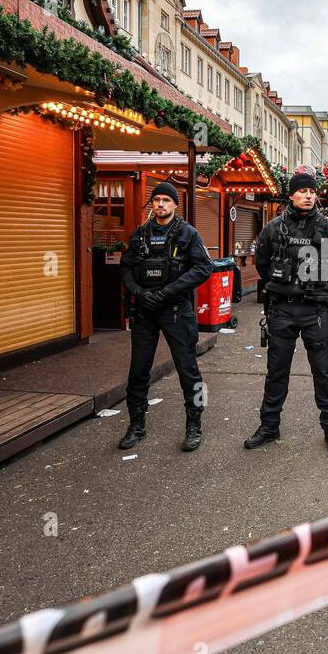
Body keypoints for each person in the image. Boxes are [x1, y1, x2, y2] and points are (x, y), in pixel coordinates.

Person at [246, 171, 328, 452]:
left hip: (316, 311)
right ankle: (269, 427)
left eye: (312, 192)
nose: (308, 196)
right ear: (291, 195)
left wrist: (325, 289)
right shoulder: (273, 228)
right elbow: (262, 262)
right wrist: (280, 286)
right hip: (282, 310)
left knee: (324, 372)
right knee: (276, 372)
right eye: (302, 191)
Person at [119, 181, 213, 452]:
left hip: (176, 310)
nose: (160, 204)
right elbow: (126, 268)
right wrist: (139, 292)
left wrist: (167, 292)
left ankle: (194, 425)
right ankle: (136, 425)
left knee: (189, 370)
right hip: (145, 311)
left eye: (166, 200)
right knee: (138, 371)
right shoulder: (140, 234)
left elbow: (203, 268)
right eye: (157, 199)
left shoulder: (188, 233)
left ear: (175, 204)